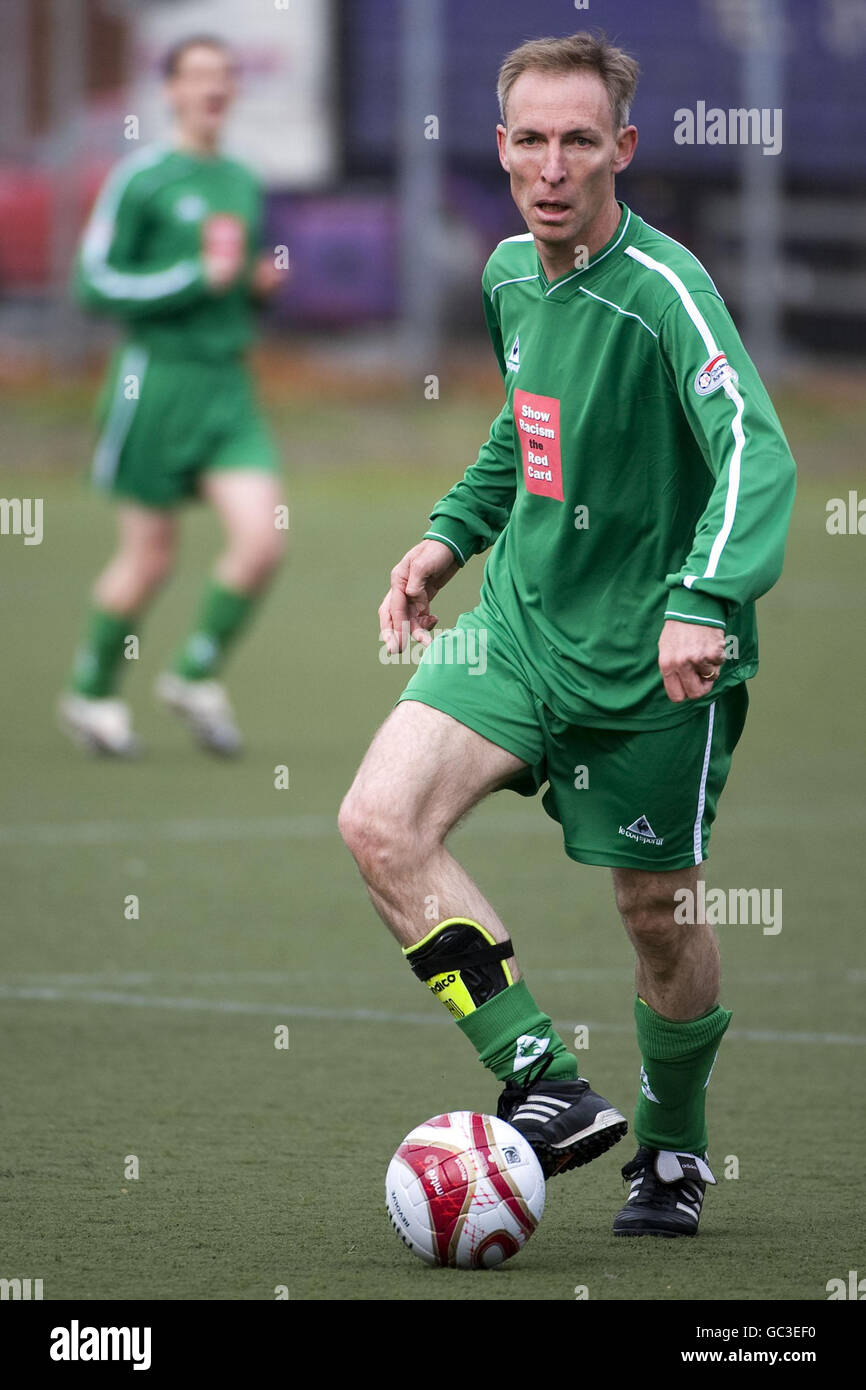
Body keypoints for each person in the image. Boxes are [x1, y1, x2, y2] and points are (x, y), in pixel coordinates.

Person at [339, 32, 796, 1237]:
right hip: (520, 634)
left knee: (657, 919)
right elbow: (522, 423)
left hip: (653, 665)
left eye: (577, 141)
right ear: (499, 150)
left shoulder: (665, 291)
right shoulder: (505, 276)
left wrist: (704, 595)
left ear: (621, 151)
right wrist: (446, 540)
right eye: (529, 140)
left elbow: (755, 446)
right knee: (380, 825)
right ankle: (543, 1079)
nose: (551, 167)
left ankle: (675, 1150)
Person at [59, 34, 287, 756]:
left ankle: (192, 675)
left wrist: (255, 286)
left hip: (227, 387)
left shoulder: (241, 181)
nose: (213, 88)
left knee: (263, 541)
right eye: (197, 76)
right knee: (150, 558)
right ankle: (91, 694)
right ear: (170, 91)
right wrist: (197, 277)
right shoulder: (142, 177)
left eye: (224, 76)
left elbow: (239, 277)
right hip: (153, 383)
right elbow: (92, 283)